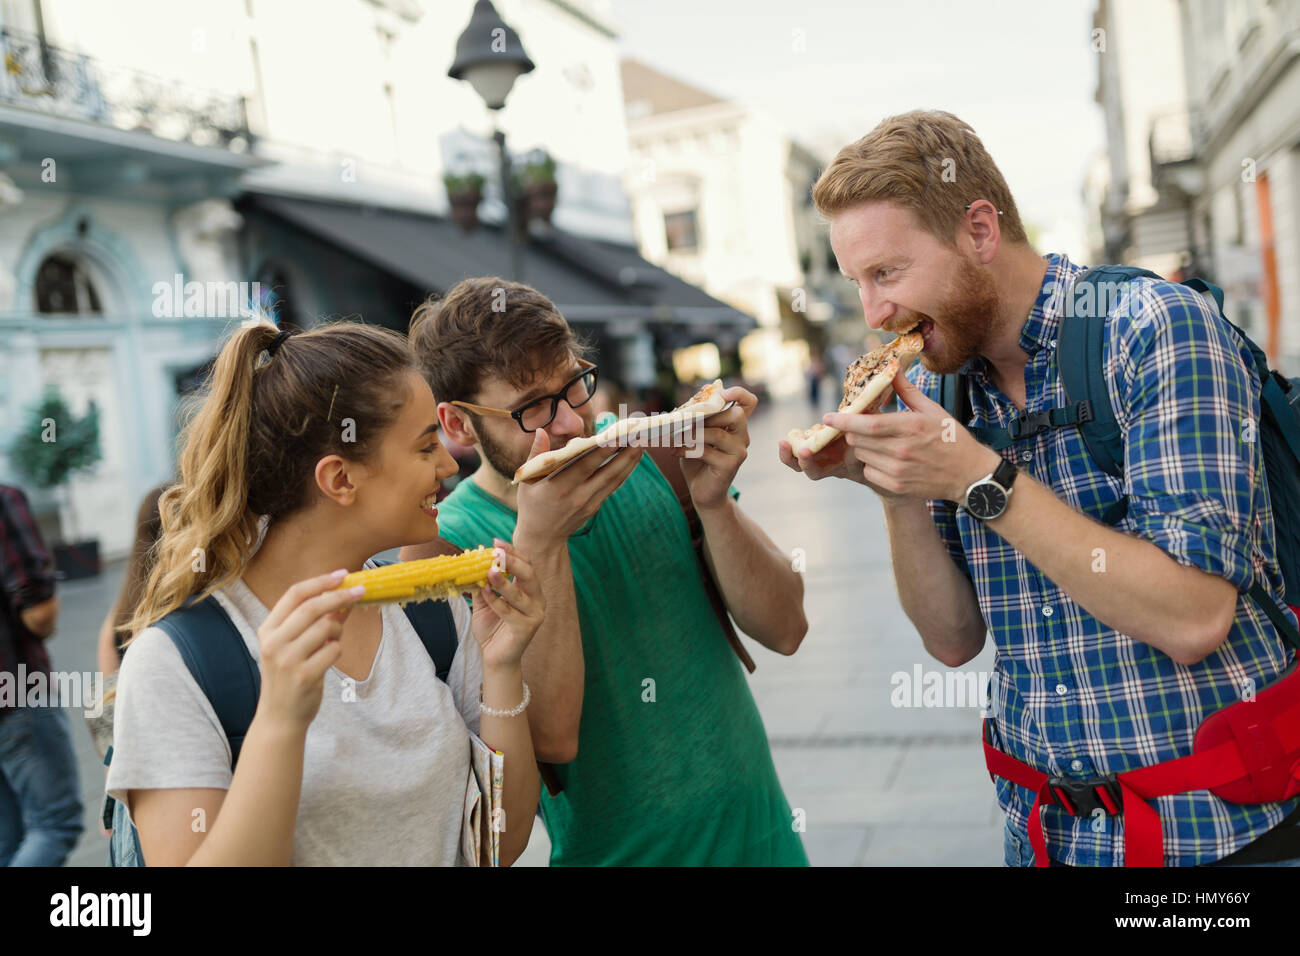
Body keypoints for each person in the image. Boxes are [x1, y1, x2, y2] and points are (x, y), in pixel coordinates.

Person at [781, 109, 1300, 866]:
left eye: (887, 273)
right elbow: (953, 640)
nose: (873, 312)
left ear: (979, 232)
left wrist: (976, 477)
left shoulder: (1152, 328)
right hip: (1048, 840)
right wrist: (896, 490)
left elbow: (1193, 616)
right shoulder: (942, 387)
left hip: (1223, 838)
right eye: (858, 282)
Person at [106, 320, 546, 865]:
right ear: (340, 479)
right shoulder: (176, 664)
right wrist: (281, 720)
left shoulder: (433, 620)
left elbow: (502, 843)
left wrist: (503, 667)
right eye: (425, 445)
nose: (449, 464)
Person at [405, 277, 810, 866]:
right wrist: (541, 541)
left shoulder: (653, 460)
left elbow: (788, 627)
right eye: (532, 408)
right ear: (460, 424)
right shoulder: (445, 550)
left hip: (766, 843)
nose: (570, 423)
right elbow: (550, 740)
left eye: (574, 386)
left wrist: (714, 502)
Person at [0, 482, 84, 866]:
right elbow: (39, 611)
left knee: (9, 838)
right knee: (55, 825)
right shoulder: (4, 498)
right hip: (16, 693)